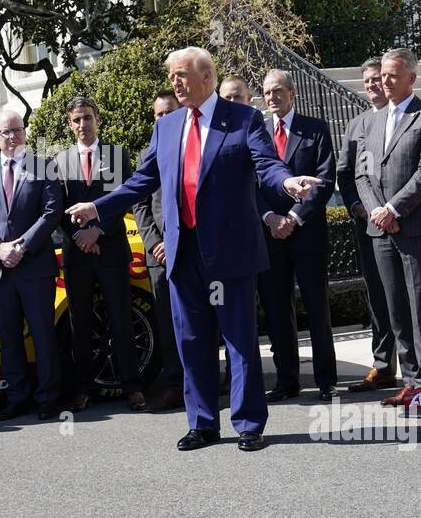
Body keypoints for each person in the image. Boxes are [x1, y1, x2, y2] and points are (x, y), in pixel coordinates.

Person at [67, 47, 322, 452]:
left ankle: (248, 423)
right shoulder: (166, 128)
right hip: (183, 254)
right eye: (172, 77)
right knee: (191, 340)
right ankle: (203, 423)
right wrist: (96, 207)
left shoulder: (243, 118)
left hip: (230, 252)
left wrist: (287, 184)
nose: (176, 84)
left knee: (238, 339)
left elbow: (265, 164)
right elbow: (139, 183)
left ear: (207, 76)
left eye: (183, 75)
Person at [352, 49, 421, 407]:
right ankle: (411, 379)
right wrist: (377, 210)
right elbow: (363, 173)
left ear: (411, 78)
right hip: (380, 229)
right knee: (396, 307)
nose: (384, 81)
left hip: (415, 227)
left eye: (393, 75)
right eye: (383, 75)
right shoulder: (372, 122)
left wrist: (394, 208)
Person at [0, 109, 64, 421]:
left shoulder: (44, 166)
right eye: (5, 132)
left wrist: (21, 246)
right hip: (0, 270)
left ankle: (49, 397)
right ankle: (17, 397)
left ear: (25, 132)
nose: (12, 136)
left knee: (43, 335)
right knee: (9, 338)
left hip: (35, 266)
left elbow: (51, 213)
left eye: (17, 130)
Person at [54, 96, 145, 412]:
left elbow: (124, 198)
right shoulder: (58, 162)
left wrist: (98, 230)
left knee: (121, 318)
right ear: (70, 124)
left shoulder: (118, 156)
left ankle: (132, 387)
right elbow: (57, 209)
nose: (83, 124)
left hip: (111, 249)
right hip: (77, 254)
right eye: (77, 120)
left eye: (88, 118)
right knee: (80, 323)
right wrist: (80, 237)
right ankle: (83, 389)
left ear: (98, 120)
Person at [256, 69, 338, 401]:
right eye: (266, 93)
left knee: (316, 308)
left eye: (278, 91)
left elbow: (325, 180)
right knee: (277, 310)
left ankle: (325, 380)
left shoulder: (315, 129)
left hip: (306, 234)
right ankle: (287, 380)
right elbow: (251, 182)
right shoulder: (257, 132)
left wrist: (293, 216)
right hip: (270, 235)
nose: (272, 98)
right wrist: (270, 218)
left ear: (292, 93)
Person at [338, 57, 398, 393]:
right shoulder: (357, 126)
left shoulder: (407, 117)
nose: (373, 86)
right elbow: (346, 174)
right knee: (378, 295)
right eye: (368, 82)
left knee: (413, 298)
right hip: (368, 224)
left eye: (378, 79)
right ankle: (383, 366)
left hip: (404, 220)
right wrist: (358, 207)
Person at [133, 91, 184, 412]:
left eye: (169, 113)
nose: (163, 119)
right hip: (160, 255)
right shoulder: (146, 155)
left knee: (200, 321)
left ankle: (210, 380)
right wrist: (154, 242)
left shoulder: (194, 147)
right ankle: (176, 386)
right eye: (158, 115)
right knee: (168, 325)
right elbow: (139, 204)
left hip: (192, 251)